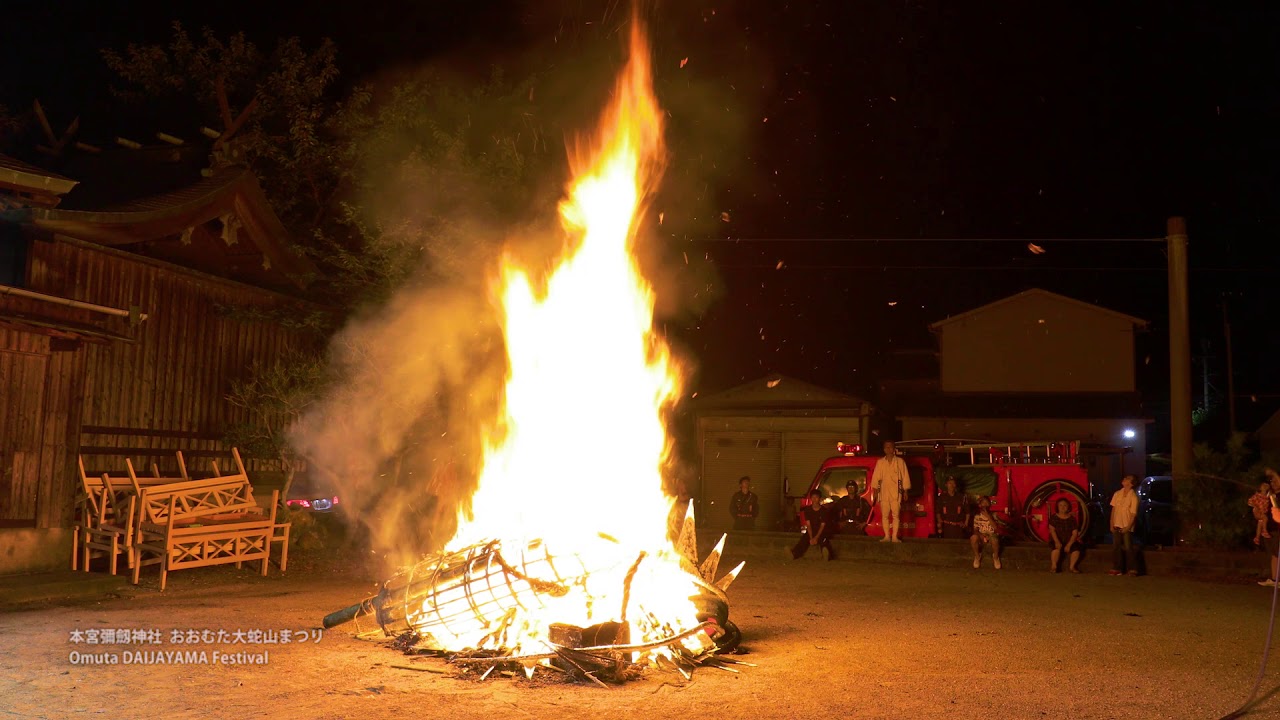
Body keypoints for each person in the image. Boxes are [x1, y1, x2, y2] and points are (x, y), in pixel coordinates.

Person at [871, 440, 911, 543]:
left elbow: (905, 477)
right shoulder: (880, 462)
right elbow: (876, 478)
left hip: (896, 494)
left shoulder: (900, 462)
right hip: (884, 493)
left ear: (894, 449)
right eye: (886, 447)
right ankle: (887, 536)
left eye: (890, 447)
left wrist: (905, 491)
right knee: (884, 516)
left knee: (896, 515)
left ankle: (894, 537)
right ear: (884, 449)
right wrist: (875, 492)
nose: (888, 449)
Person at [792, 490, 837, 561]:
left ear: (820, 499)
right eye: (813, 497)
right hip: (812, 529)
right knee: (804, 539)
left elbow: (822, 525)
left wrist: (816, 537)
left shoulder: (824, 511)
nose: (814, 499)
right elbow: (808, 525)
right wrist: (811, 538)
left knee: (824, 539)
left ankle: (827, 555)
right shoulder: (808, 510)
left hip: (822, 530)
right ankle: (794, 554)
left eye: (816, 497)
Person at [1108, 475, 1139, 576]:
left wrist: (1128, 527)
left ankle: (1132, 568)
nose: (1124, 479)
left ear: (1131, 483)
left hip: (1126, 524)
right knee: (1116, 546)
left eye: (1127, 479)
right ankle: (1117, 568)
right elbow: (1113, 509)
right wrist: (1111, 523)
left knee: (1128, 547)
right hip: (1117, 523)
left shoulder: (1133, 497)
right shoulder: (1117, 494)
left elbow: (1133, 514)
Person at [1048, 498, 1081, 573]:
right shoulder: (1053, 518)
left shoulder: (1072, 519)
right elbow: (1052, 530)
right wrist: (1057, 541)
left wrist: (1069, 544)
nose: (1063, 507)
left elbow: (1075, 533)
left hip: (1069, 540)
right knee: (1056, 549)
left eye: (1065, 505)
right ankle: (1054, 566)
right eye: (1060, 505)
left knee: (1076, 550)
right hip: (1057, 539)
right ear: (1057, 507)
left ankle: (1072, 567)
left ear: (1068, 507)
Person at [1260, 469, 1280, 587]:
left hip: (1278, 528)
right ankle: (1274, 579)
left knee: (1277, 553)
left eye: (1275, 482)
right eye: (1271, 482)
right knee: (1274, 554)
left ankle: (1276, 579)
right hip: (1271, 528)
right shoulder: (1271, 495)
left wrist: (1273, 473)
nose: (1273, 483)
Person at [970, 496, 1001, 569]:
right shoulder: (977, 516)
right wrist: (982, 535)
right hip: (981, 535)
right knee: (973, 538)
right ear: (980, 505)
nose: (985, 505)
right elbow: (975, 530)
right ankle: (977, 557)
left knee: (995, 539)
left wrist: (988, 516)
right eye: (983, 503)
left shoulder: (994, 515)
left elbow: (996, 528)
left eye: (986, 503)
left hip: (991, 535)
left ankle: (996, 557)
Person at [1248, 482, 1272, 546]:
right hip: (1257, 512)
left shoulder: (1267, 497)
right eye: (1263, 486)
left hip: (1262, 512)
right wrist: (1255, 506)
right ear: (1260, 488)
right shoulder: (1257, 495)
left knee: (1260, 523)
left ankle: (1257, 537)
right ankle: (1264, 530)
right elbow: (1249, 501)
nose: (1264, 487)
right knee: (1265, 518)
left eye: (1266, 486)